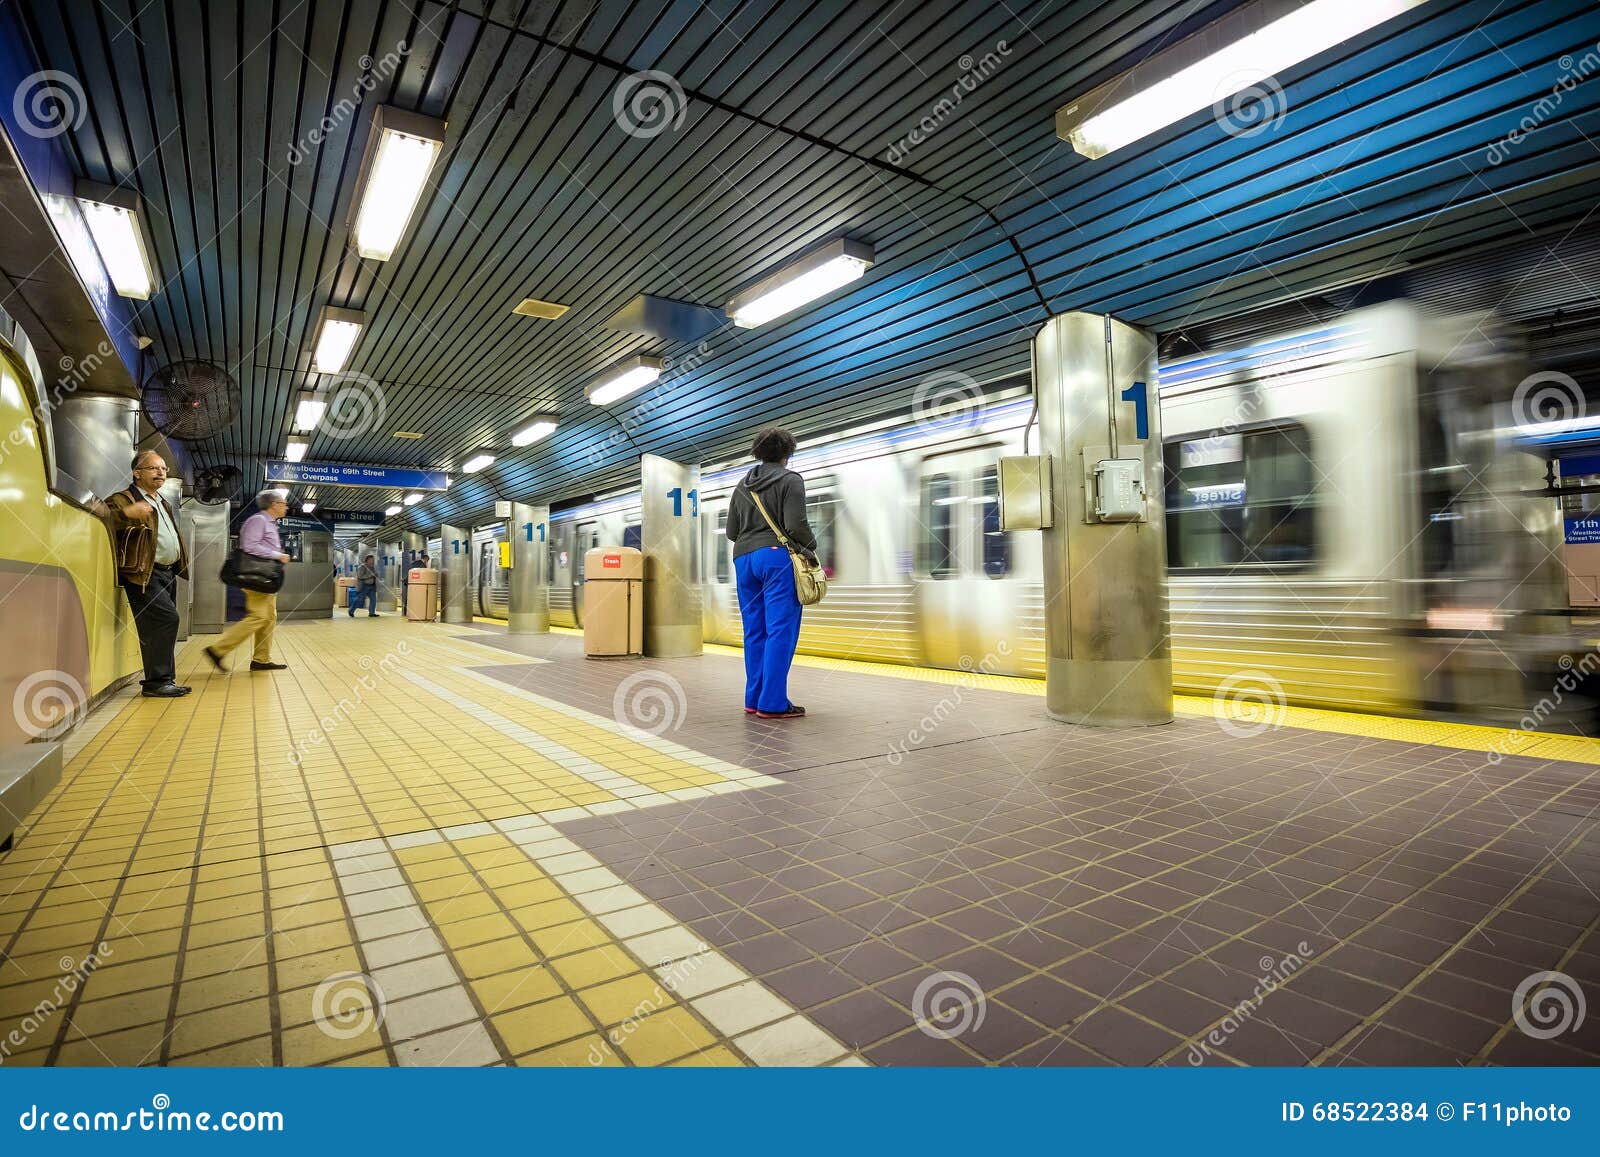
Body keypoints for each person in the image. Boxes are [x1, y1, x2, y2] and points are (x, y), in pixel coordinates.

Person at [724, 427, 817, 719]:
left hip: (744, 561)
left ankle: (753, 699)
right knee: (780, 630)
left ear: (758, 452)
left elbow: (731, 531)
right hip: (776, 559)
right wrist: (811, 547)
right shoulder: (791, 480)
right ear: (788, 454)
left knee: (755, 632)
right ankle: (773, 703)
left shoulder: (742, 484)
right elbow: (796, 524)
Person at [97, 451, 191, 698]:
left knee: (160, 625)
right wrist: (127, 514)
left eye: (163, 469)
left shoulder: (161, 501)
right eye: (153, 468)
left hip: (167, 572)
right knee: (166, 620)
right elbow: (100, 518)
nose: (161, 472)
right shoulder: (122, 500)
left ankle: (164, 680)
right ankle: (157, 682)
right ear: (137, 473)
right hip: (143, 573)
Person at [204, 490, 291, 672]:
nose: (286, 506)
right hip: (257, 577)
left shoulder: (270, 523)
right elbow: (249, 546)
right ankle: (217, 650)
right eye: (283, 503)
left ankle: (261, 659)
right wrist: (277, 555)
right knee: (259, 616)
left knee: (269, 619)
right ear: (273, 504)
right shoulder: (258, 520)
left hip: (267, 577)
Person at [352, 553, 380, 617]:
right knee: (359, 600)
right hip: (364, 586)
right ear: (367, 560)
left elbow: (373, 575)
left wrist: (376, 575)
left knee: (373, 600)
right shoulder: (362, 567)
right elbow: (360, 576)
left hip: (372, 586)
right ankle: (351, 611)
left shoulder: (372, 567)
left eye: (373, 559)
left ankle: (371, 613)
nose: (373, 561)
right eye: (371, 559)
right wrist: (371, 575)